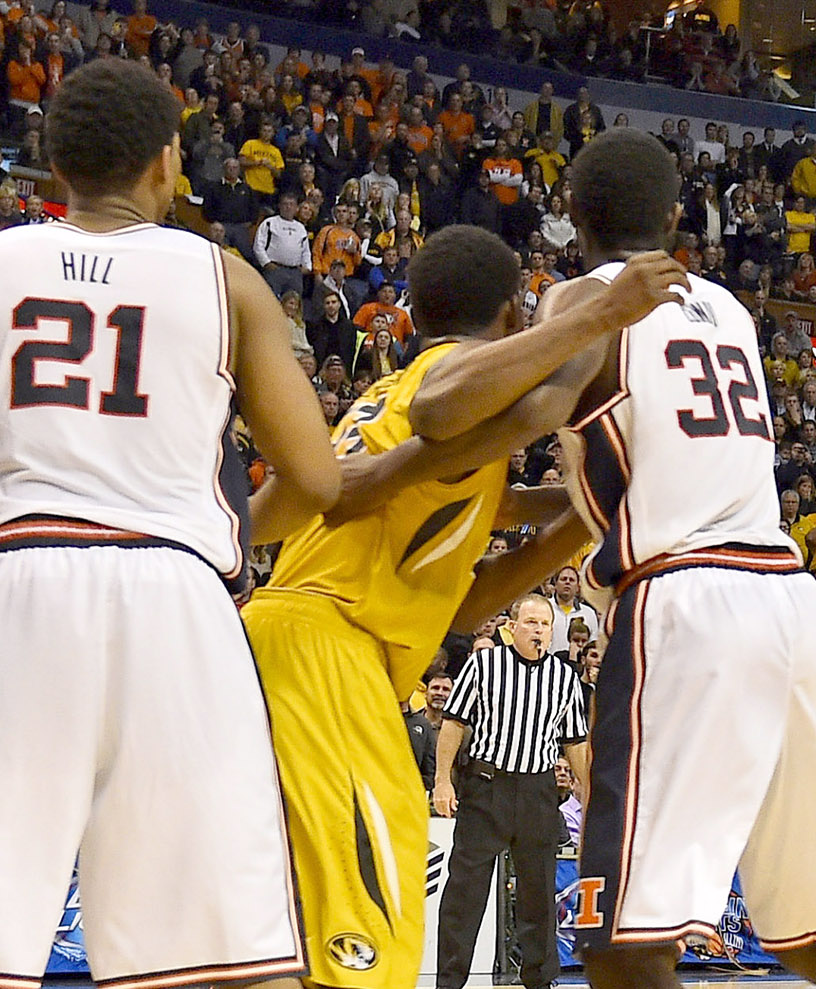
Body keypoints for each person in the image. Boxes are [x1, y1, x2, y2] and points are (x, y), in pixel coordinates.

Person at [0, 60, 342, 989]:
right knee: (228, 962)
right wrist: (238, 532)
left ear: (55, 167)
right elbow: (315, 476)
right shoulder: (227, 281)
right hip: (177, 594)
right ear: (168, 162)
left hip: (22, 584)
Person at [245, 226, 686, 989]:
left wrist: (587, 509)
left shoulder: (400, 393)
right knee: (365, 937)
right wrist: (596, 319)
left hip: (294, 644)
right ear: (516, 317)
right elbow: (488, 415)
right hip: (325, 653)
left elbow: (469, 596)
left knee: (285, 928)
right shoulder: (449, 379)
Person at [549, 129, 816, 989]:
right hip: (786, 600)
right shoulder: (731, 309)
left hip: (685, 601)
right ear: (679, 217)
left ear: (573, 217)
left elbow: (538, 410)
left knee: (621, 941)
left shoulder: (581, 300)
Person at [433, 598, 588, 989]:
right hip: (487, 787)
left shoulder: (564, 676)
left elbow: (574, 741)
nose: (538, 630)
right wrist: (442, 780)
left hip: (537, 790)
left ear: (552, 632)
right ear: (513, 626)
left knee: (538, 896)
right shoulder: (485, 665)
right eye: (530, 622)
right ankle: (449, 982)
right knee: (464, 895)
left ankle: (540, 980)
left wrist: (588, 792)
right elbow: (453, 724)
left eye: (544, 624)